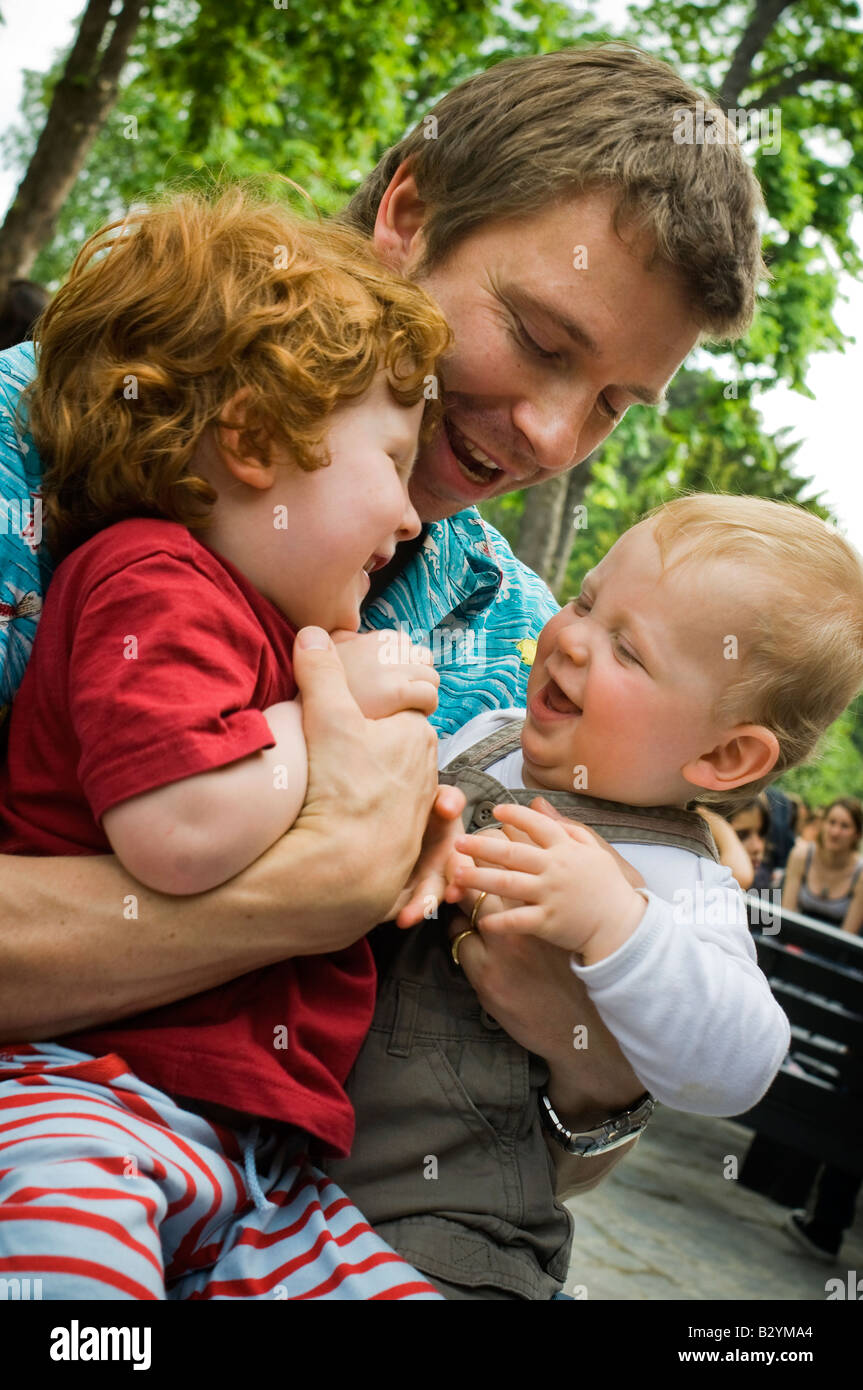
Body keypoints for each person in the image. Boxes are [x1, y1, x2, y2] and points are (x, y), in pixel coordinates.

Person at [0, 43, 769, 1297]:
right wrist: (309, 884)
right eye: (536, 338)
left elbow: (545, 1136)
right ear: (407, 213)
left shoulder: (536, 650)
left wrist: (591, 1036)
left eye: (615, 404)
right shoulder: (45, 439)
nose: (551, 436)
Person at [0, 190, 466, 1299]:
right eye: (393, 463)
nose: (412, 517)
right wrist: (331, 720)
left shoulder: (259, 618)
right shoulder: (151, 578)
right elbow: (180, 828)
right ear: (254, 439)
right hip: (87, 1095)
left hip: (254, 1149)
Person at [782, 797, 863, 933]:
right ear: (822, 824)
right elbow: (786, 915)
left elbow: (848, 936)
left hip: (836, 948)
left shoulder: (860, 874)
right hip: (794, 937)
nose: (835, 832)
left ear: (857, 834)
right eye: (831, 823)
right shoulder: (800, 856)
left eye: (845, 826)